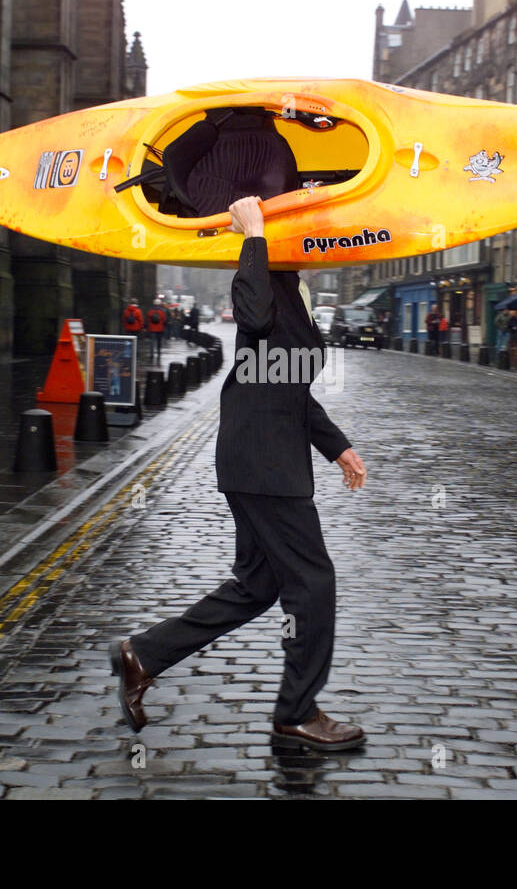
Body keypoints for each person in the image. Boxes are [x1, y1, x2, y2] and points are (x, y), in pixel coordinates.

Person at [112, 195, 368, 751]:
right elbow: (251, 319)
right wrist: (252, 234)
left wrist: (337, 447)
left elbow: (283, 382)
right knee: (313, 583)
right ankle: (296, 713)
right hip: (265, 465)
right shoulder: (261, 279)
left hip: (262, 457)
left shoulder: (291, 286)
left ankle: (143, 655)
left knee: (258, 585)